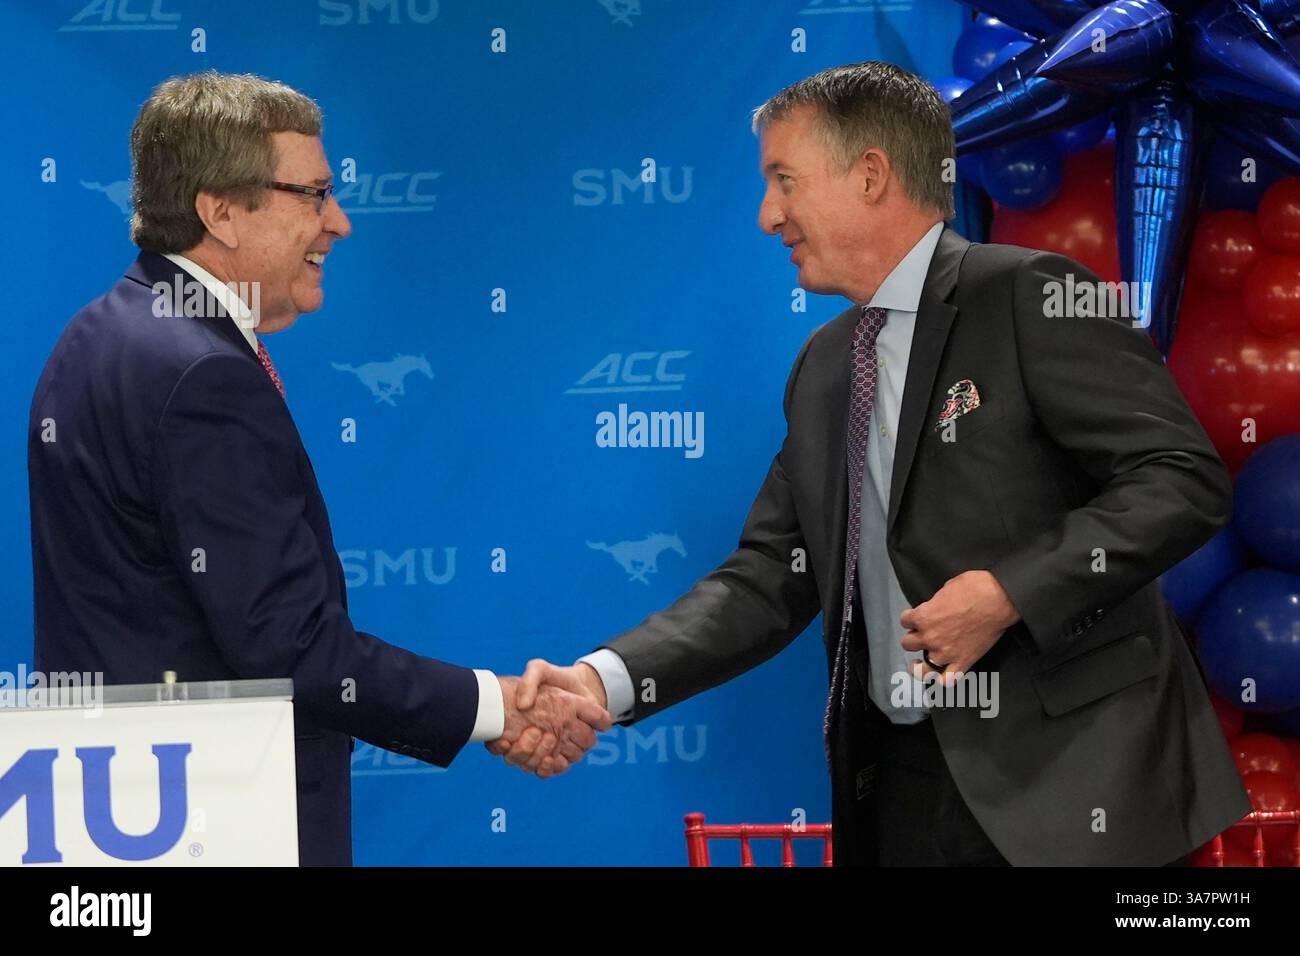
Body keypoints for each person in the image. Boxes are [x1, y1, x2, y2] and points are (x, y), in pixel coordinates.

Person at [492, 61, 1252, 866]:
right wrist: (602, 681)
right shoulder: (824, 367)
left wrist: (1008, 593)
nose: (766, 214)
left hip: (1077, 789)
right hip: (901, 789)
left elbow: (1182, 477)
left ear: (871, 175)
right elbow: (767, 578)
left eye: (784, 180)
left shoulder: (1031, 292)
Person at [28, 71, 610, 867]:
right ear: (221, 211)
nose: (338, 222)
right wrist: (497, 706)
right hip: (212, 825)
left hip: (127, 825)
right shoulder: (200, 372)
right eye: (314, 194)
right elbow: (289, 648)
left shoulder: (101, 333)